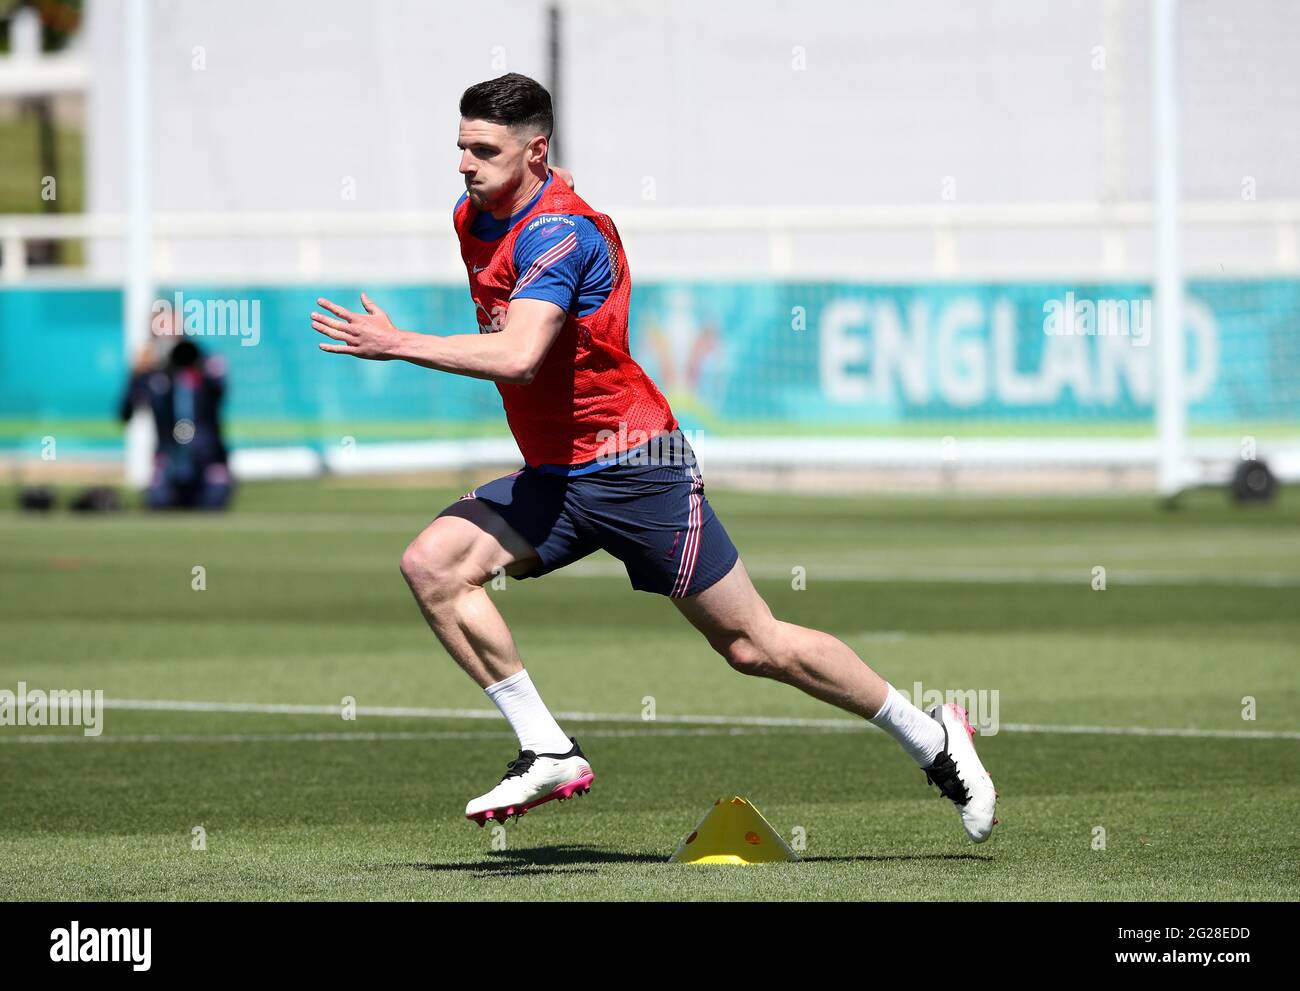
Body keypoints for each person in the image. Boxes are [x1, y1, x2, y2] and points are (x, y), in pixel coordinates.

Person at [310, 73, 996, 841]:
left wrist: (396, 342)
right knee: (434, 565)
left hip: (637, 466)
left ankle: (935, 740)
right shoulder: (476, 215)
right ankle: (546, 746)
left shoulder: (560, 234)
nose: (465, 165)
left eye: (483, 150)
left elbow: (521, 354)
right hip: (559, 475)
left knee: (752, 644)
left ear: (535, 152)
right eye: (461, 148)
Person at [120, 335, 233, 510]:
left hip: (206, 458)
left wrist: (199, 361)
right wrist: (136, 375)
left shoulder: (201, 372)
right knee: (159, 502)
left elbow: (219, 390)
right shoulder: (155, 379)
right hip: (170, 460)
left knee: (213, 501)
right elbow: (125, 414)